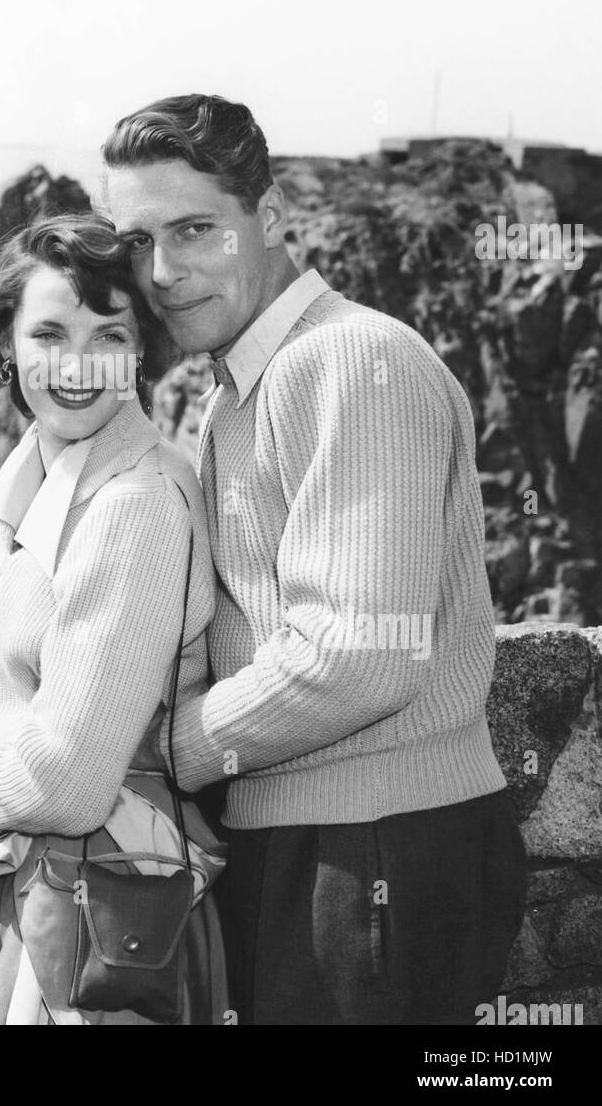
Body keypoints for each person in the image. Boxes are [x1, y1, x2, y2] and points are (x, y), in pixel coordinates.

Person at [100, 92, 527, 1026]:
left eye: (195, 230)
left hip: (377, 852)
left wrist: (159, 754)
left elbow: (359, 652)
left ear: (273, 218)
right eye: (134, 243)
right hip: (318, 841)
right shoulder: (238, 391)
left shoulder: (347, 361)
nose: (163, 273)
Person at [0, 214, 229, 1025]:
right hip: (38, 880)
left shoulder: (135, 502)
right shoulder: (43, 466)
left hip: (102, 901)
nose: (75, 365)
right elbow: (7, 636)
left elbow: (65, 787)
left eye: (109, 335)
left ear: (143, 353)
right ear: (5, 344)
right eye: (47, 332)